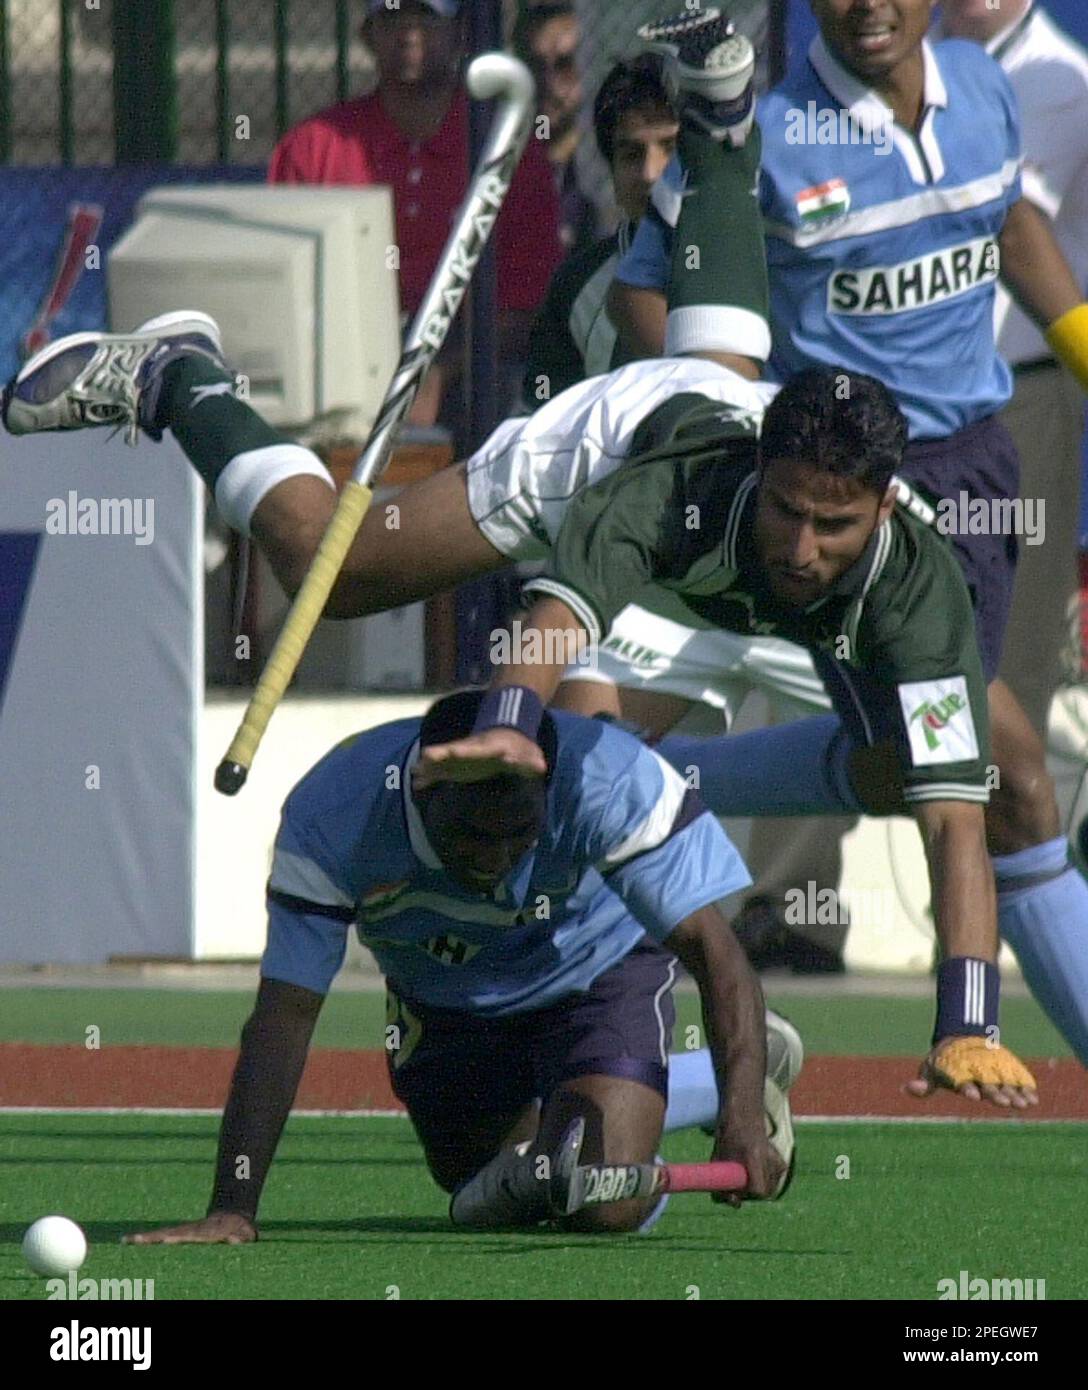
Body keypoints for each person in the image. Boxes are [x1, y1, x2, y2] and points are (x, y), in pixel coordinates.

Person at [1, 10, 1069, 1087]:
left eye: (829, 528)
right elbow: (550, 623)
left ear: (884, 515)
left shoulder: (916, 586)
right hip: (609, 448)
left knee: (948, 752)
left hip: (736, 395)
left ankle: (718, 119)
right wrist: (508, 731)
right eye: (785, 516)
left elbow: (948, 817)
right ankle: (184, 380)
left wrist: (965, 1019)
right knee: (339, 567)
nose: (799, 546)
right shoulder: (662, 502)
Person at [607, 0, 1088, 980]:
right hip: (861, 497)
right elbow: (643, 283)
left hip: (981, 471)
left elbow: (1009, 221)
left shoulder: (984, 89)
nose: (868, 3)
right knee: (1009, 778)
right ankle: (974, 1024)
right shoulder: (770, 137)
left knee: (911, 765)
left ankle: (663, 772)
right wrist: (731, 407)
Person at [116, 690, 793, 1243]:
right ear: (420, 790)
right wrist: (233, 1203)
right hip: (443, 1000)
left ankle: (720, 1083)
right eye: (472, 833)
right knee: (484, 1181)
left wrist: (741, 1116)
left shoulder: (609, 781)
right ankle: (700, 1079)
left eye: (519, 834)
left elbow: (716, 952)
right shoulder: (335, 814)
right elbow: (285, 1017)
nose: (497, 859)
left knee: (599, 1202)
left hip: (595, 972)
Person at [269, 0, 563, 431]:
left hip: (471, 380)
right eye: (392, 17)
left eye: (425, 16)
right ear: (367, 34)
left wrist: (436, 374)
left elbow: (528, 304)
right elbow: (281, 297)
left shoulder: (507, 147)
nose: (409, 32)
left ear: (460, 31)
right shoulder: (311, 148)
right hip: (335, 375)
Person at [939, 0, 1088, 740]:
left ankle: (1018, 853)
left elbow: (994, 221)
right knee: (842, 646)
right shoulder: (874, 64)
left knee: (1010, 653)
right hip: (894, 397)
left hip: (1020, 402)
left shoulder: (1062, 81)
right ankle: (791, 859)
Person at [522, 54, 680, 408]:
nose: (650, 173)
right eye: (631, 154)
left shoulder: (767, 264)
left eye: (671, 148)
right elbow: (540, 426)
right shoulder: (577, 285)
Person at [513, 0, 599, 252]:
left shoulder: (606, 165)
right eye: (535, 66)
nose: (548, 84)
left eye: (564, 64)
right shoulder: (506, 169)